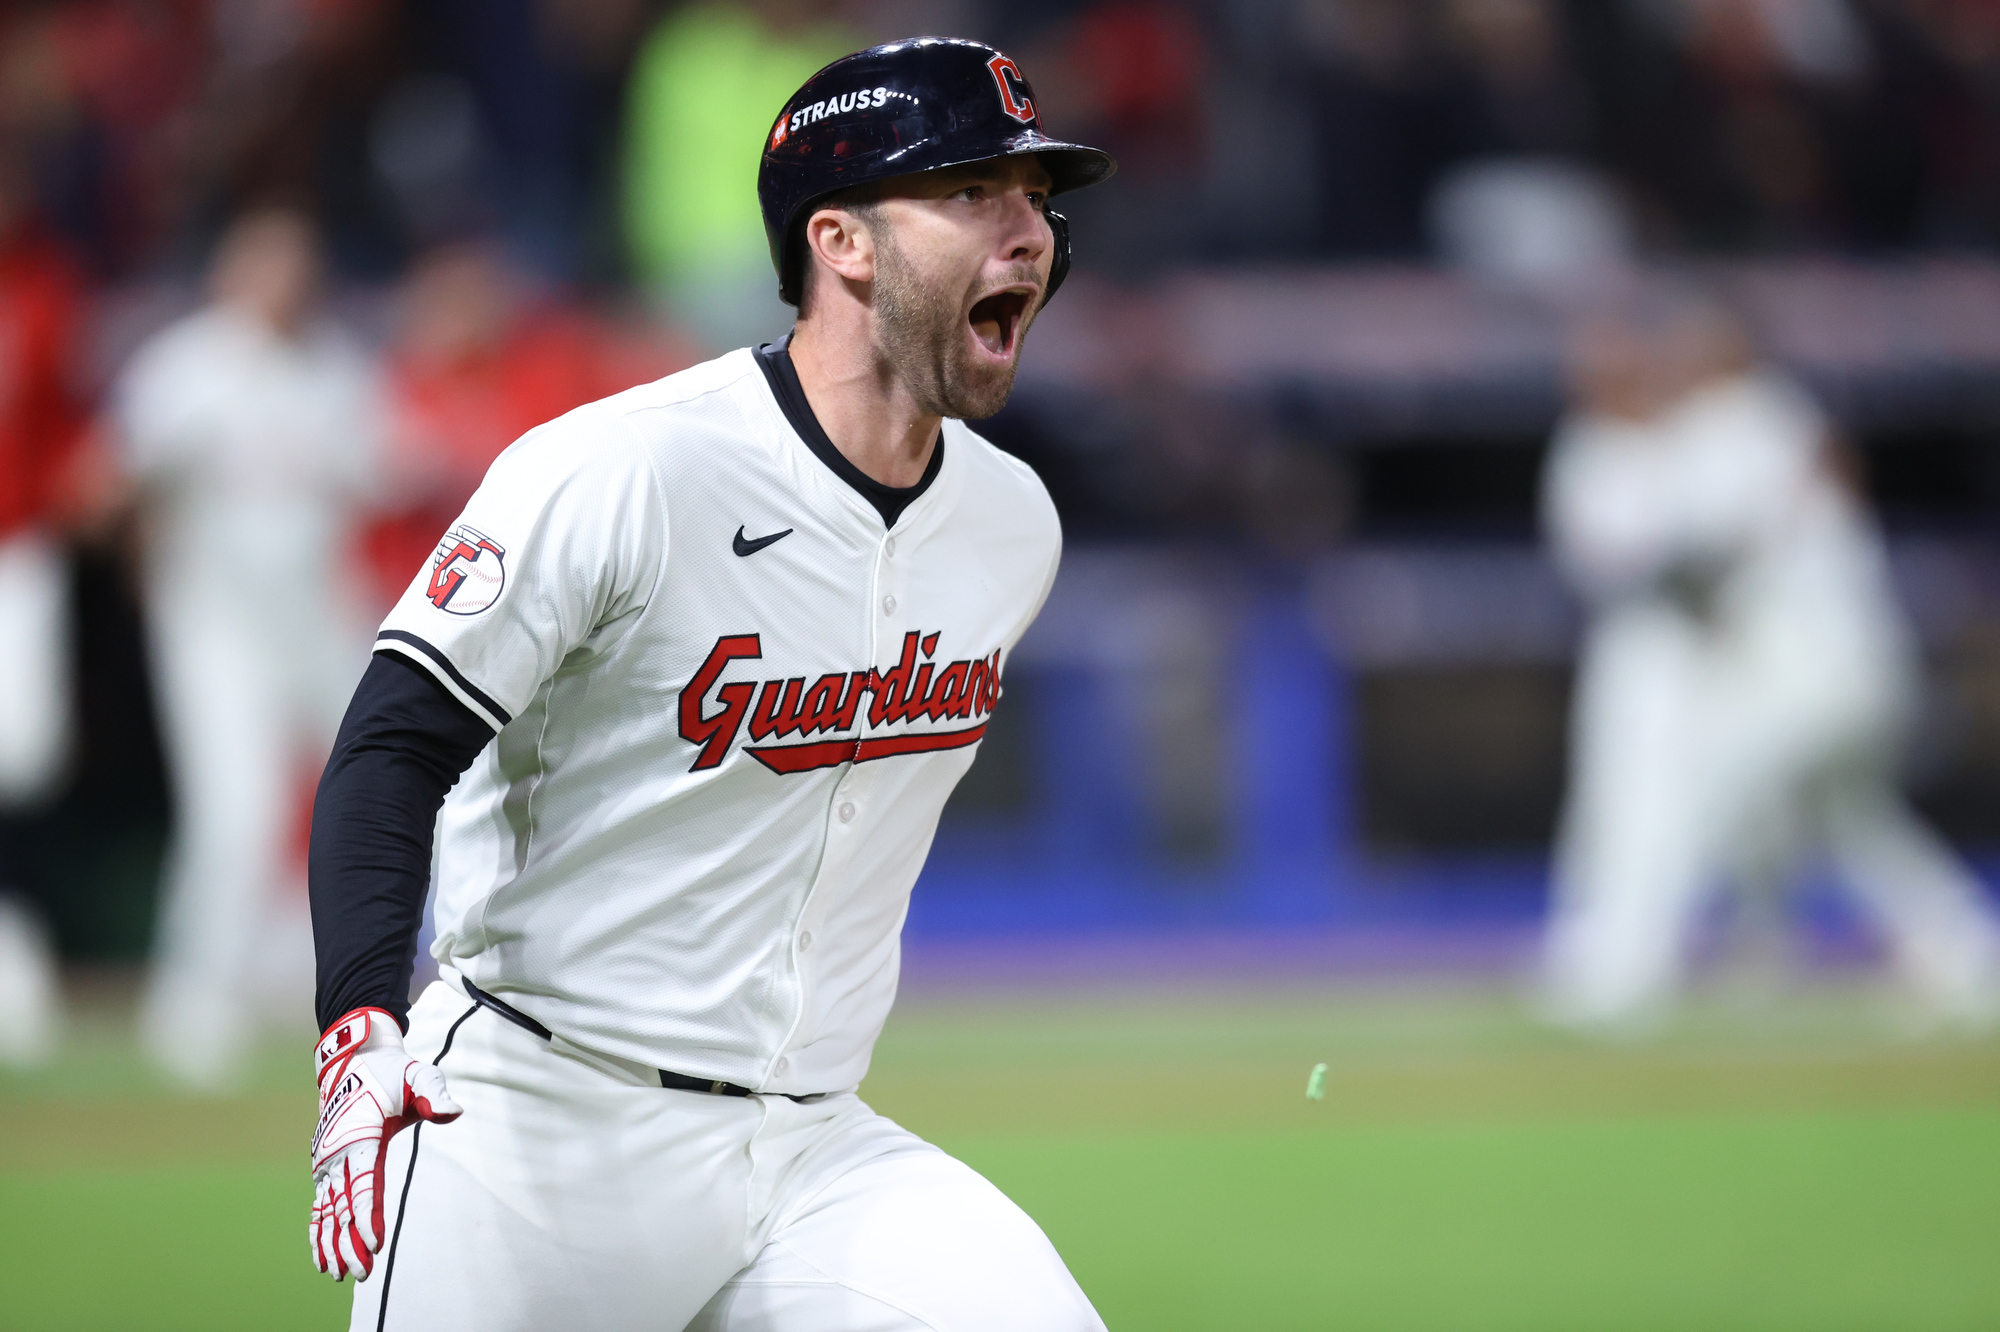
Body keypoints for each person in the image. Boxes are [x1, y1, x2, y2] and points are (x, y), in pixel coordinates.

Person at [307, 38, 1116, 1330]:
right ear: (841, 242)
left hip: (812, 1148)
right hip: (532, 1129)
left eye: (1036, 197)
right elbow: (390, 747)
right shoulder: (625, 469)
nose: (1029, 232)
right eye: (973, 192)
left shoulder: (1013, 523)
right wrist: (358, 1026)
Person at [1540, 290, 2000, 1033]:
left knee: (1692, 792)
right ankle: (1962, 945)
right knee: (1847, 815)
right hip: (1854, 660)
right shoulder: (1776, 419)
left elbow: (1683, 544)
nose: (1678, 359)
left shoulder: (1740, 423)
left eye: (1695, 344)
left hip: (1808, 668)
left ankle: (1620, 972)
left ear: (1734, 352)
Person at [115, 208, 385, 1089]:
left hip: (315, 612)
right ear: (230, 273)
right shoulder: (187, 368)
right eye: (266, 265)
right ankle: (192, 1004)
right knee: (236, 811)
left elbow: (378, 479)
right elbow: (126, 490)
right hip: (216, 623)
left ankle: (386, 992)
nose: (284, 283)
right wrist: (154, 586)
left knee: (389, 782)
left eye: (297, 266)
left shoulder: (334, 368)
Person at [0, 160, 92, 1067]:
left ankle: (19, 956)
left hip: (17, 548)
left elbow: (65, 419)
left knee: (23, 757)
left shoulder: (42, 286)